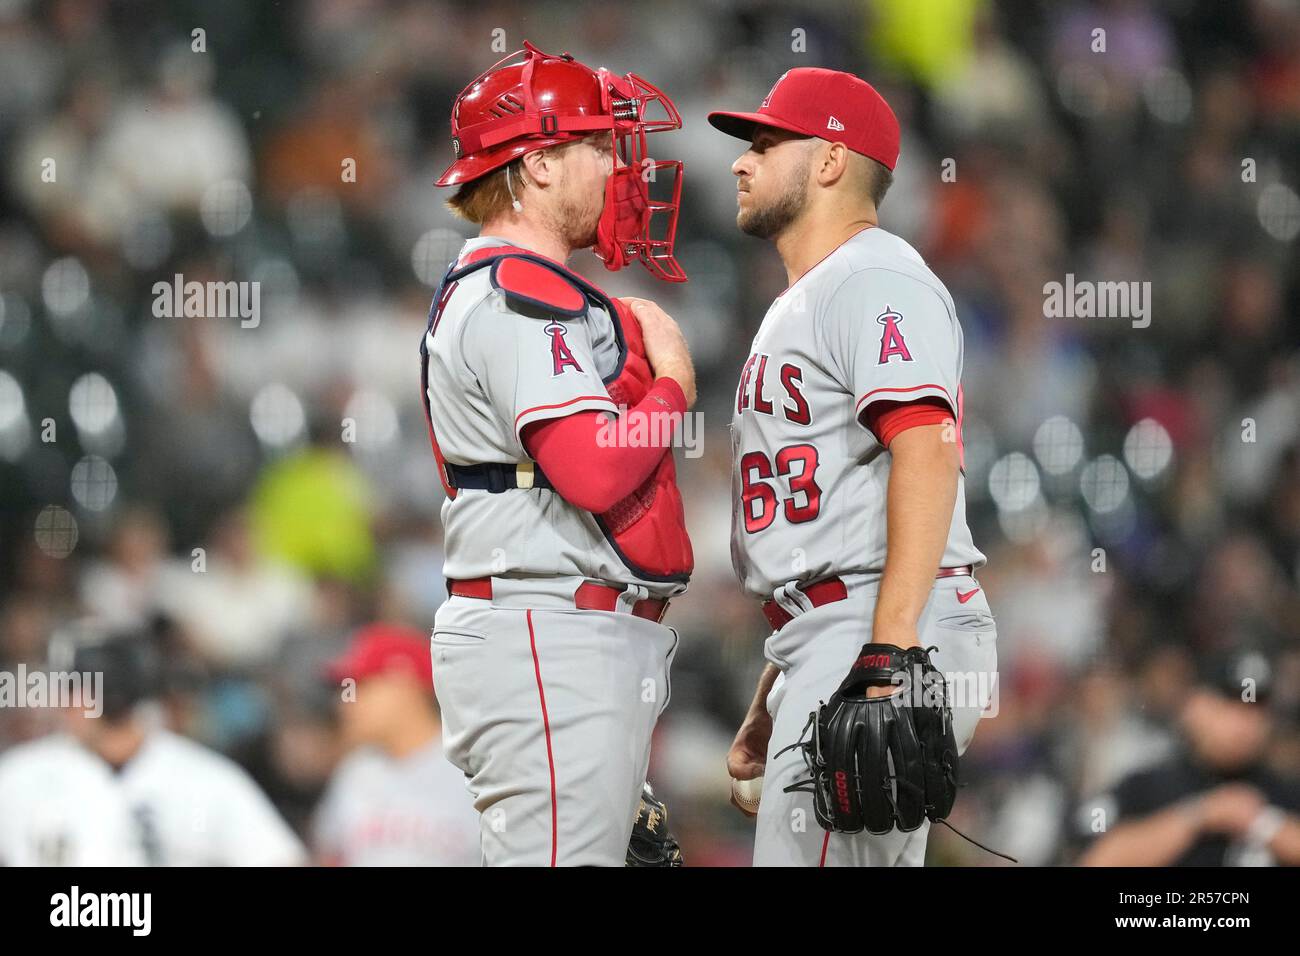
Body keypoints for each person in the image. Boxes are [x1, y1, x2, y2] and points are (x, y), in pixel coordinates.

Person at [710, 68, 998, 866]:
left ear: (831, 160)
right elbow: (832, 514)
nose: (741, 160)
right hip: (840, 625)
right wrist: (776, 687)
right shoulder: (812, 293)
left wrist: (890, 648)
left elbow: (927, 449)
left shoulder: (874, 277)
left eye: (767, 143)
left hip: (885, 619)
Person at [421, 41, 695, 865]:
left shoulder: (518, 287)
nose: (621, 169)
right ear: (538, 165)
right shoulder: (518, 290)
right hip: (548, 635)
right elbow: (594, 467)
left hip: (560, 634)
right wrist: (675, 382)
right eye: (601, 146)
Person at [0, 629, 306, 866]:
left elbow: (279, 858)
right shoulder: (18, 775)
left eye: (71, 692)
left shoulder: (205, 779)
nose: (59, 704)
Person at [1079, 649, 1300, 866]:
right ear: (1196, 706)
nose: (1245, 724)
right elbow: (1096, 859)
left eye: (1256, 709)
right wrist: (1201, 814)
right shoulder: (1147, 786)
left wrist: (1261, 823)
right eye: (1231, 706)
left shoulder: (1285, 792)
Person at [314, 623, 481, 866]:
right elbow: (328, 855)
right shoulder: (356, 770)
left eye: (360, 685)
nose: (345, 702)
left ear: (403, 683)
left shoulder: (475, 770)